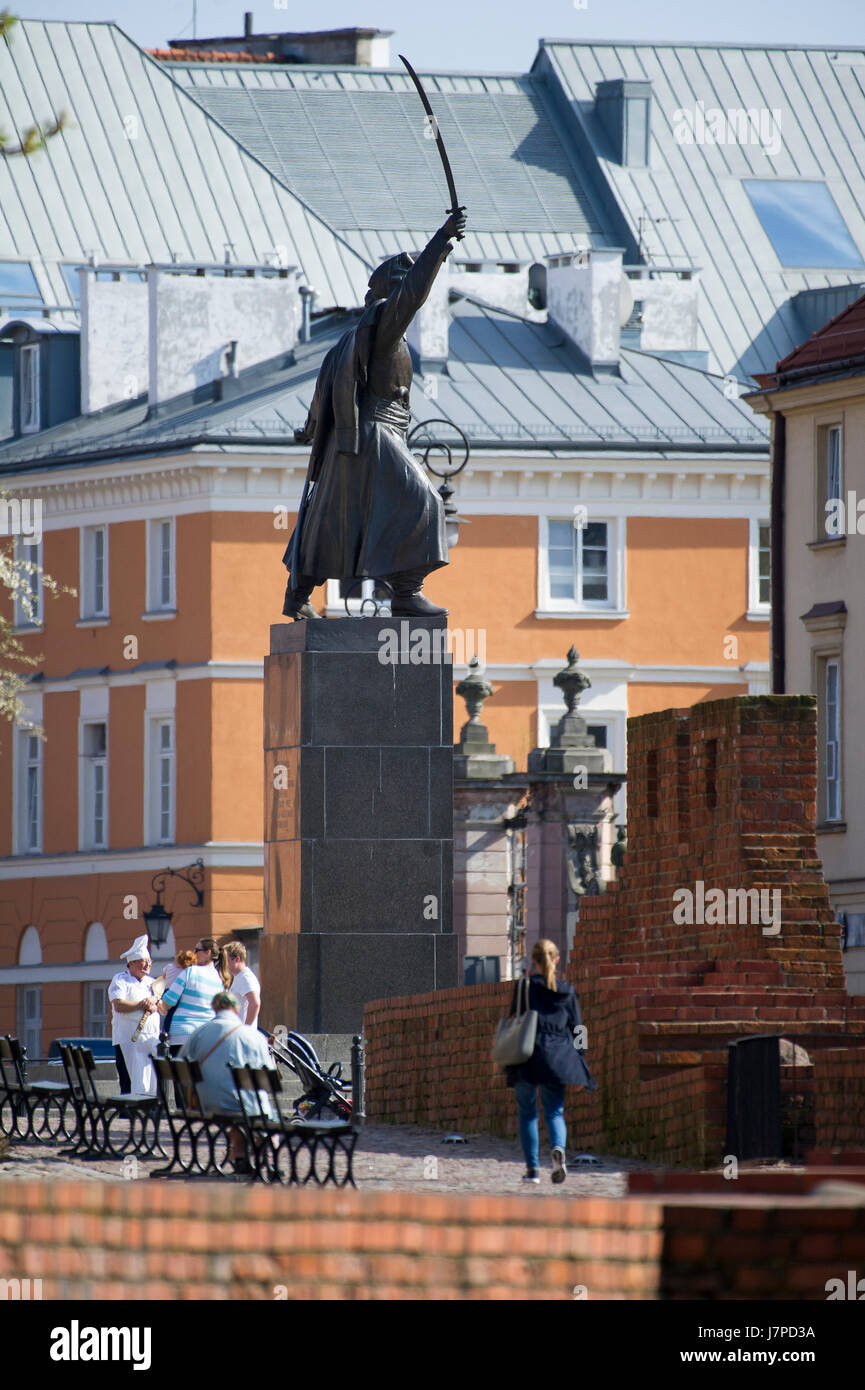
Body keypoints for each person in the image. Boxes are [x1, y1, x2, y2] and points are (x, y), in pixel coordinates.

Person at [281, 209, 467, 621]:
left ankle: (297, 596)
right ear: (392, 294)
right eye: (403, 292)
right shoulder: (383, 323)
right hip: (375, 433)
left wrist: (309, 430)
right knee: (426, 504)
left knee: (334, 514)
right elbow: (413, 295)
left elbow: (325, 392)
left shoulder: (356, 337)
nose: (409, 304)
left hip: (362, 437)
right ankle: (406, 590)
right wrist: (440, 243)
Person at [506, 938, 596, 1185]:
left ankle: (532, 1170)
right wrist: (581, 1064)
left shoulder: (524, 987)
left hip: (526, 1055)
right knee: (555, 1111)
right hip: (558, 1057)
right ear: (556, 960)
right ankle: (558, 1149)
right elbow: (579, 1029)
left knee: (527, 1113)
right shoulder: (567, 991)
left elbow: (514, 1019)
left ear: (533, 962)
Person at [181, 991, 275, 1169]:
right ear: (237, 1009)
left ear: (214, 1009)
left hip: (205, 1102)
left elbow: (182, 1067)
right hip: (245, 1104)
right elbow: (269, 1075)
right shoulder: (255, 1036)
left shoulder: (199, 1033)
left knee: (239, 1107)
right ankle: (262, 1157)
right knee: (254, 1108)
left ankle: (240, 1155)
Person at [107, 935, 161, 1096]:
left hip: (149, 1040)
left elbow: (161, 1005)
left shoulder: (152, 983)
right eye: (144, 961)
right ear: (132, 963)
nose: (148, 965)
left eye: (149, 961)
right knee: (129, 1081)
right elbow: (118, 1005)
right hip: (128, 1040)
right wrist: (140, 1005)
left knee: (150, 1080)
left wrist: (154, 1006)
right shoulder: (120, 980)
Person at [157, 938, 223, 1051]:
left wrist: (156, 999)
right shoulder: (219, 980)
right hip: (207, 1037)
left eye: (197, 950)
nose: (194, 953)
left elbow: (168, 1002)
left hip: (183, 1035)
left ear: (208, 953)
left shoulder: (190, 972)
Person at [225, 942, 260, 1027]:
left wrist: (245, 1029)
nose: (224, 964)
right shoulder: (239, 977)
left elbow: (255, 1003)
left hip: (242, 1035)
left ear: (237, 959)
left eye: (227, 960)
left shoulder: (245, 978)